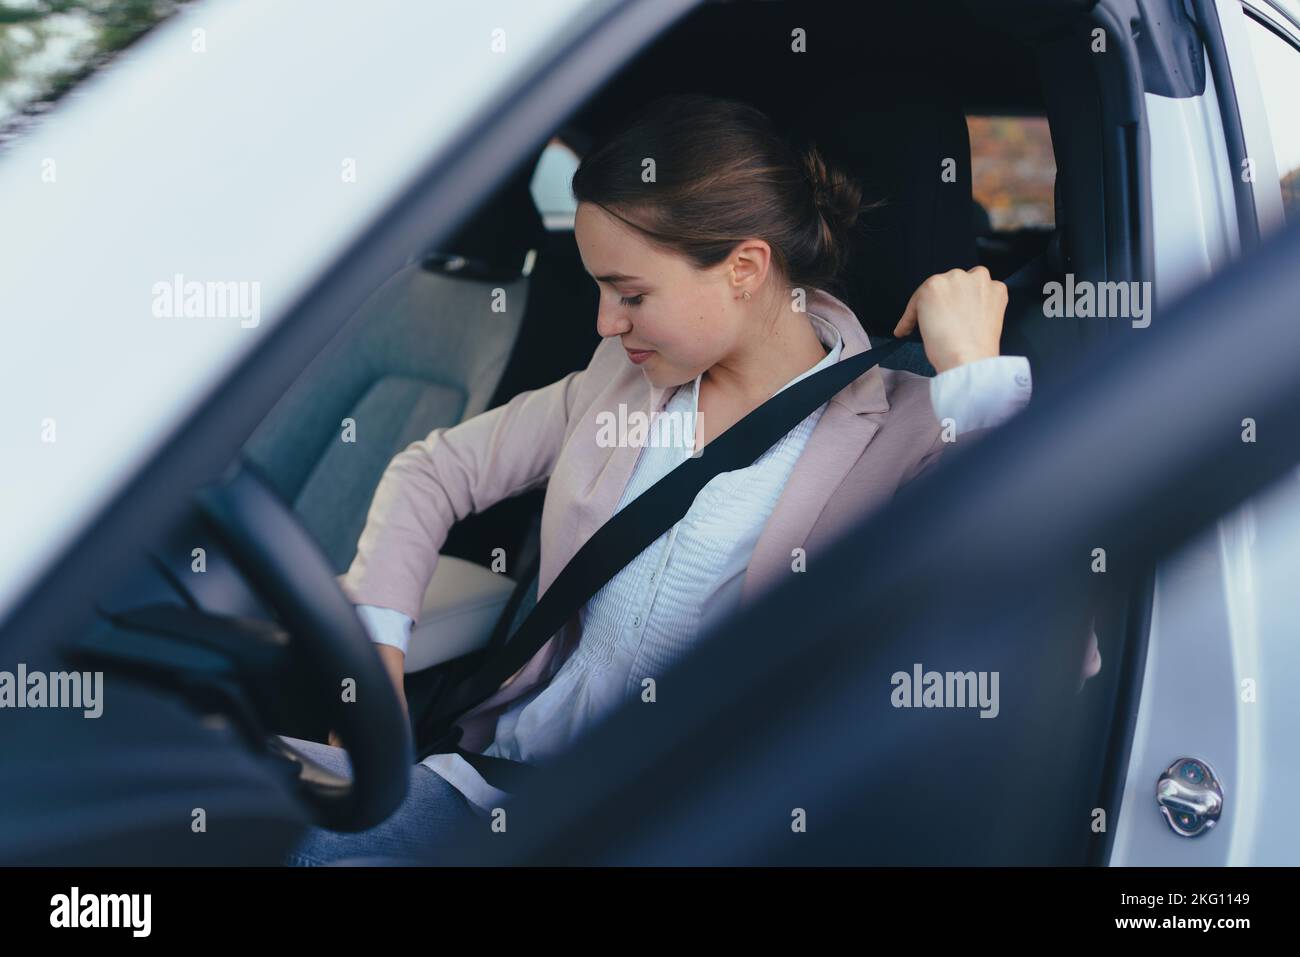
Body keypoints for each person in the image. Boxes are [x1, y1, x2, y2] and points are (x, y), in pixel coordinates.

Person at [282, 93, 1098, 865]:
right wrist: (377, 660)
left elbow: (1055, 640)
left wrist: (976, 377)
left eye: (629, 292)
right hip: (507, 787)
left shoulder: (916, 422)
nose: (604, 321)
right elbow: (436, 468)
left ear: (744, 267)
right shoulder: (621, 375)